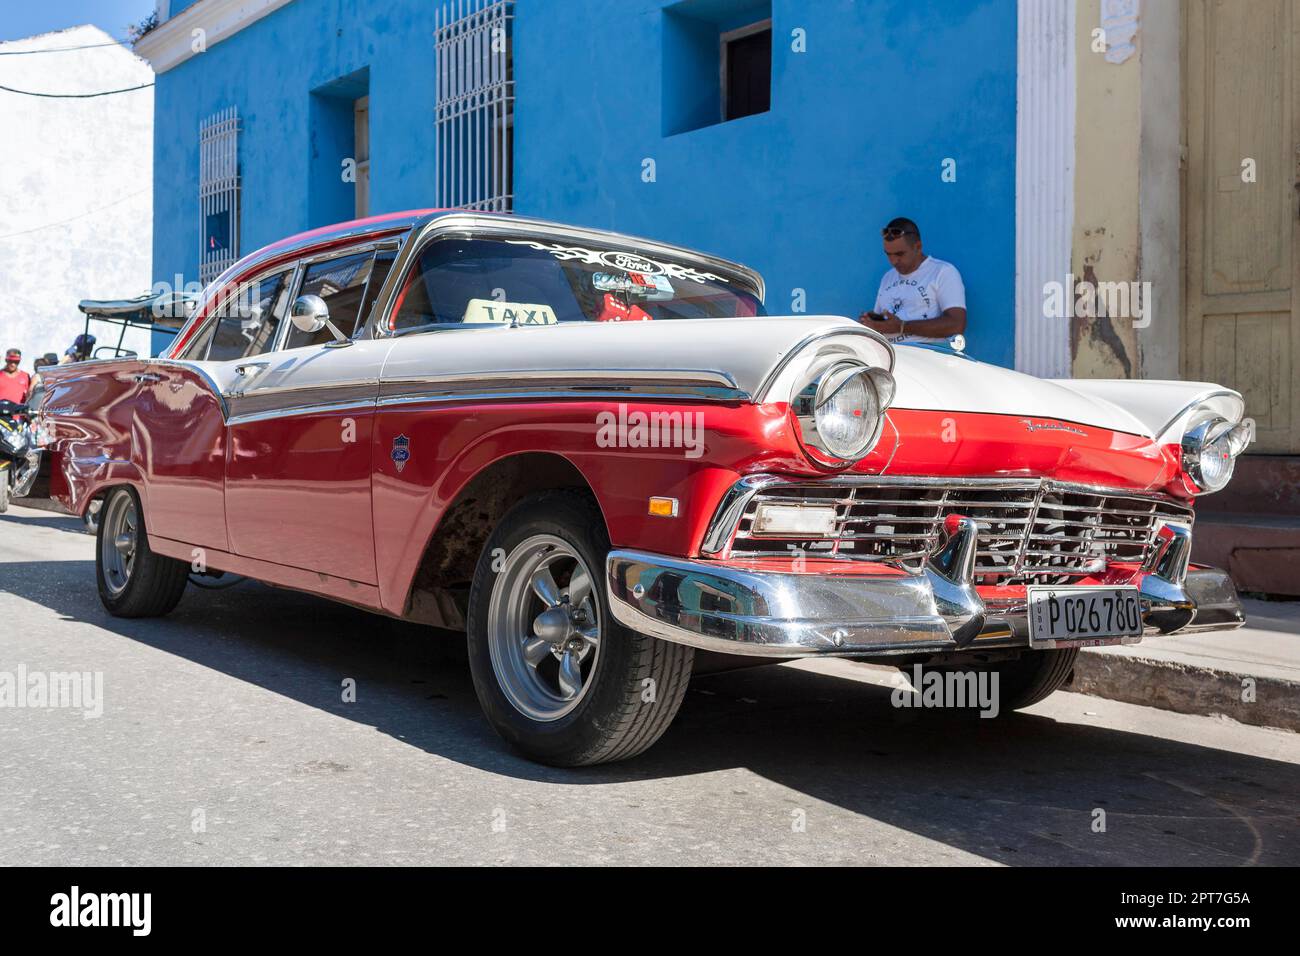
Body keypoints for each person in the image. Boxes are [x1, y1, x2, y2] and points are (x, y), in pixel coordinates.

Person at [859, 217, 967, 346]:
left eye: (899, 254)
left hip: (928, 356)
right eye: (888, 254)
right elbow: (884, 320)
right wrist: (872, 322)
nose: (893, 261)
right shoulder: (888, 277)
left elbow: (956, 324)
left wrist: (902, 327)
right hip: (891, 355)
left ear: (918, 247)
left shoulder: (942, 272)